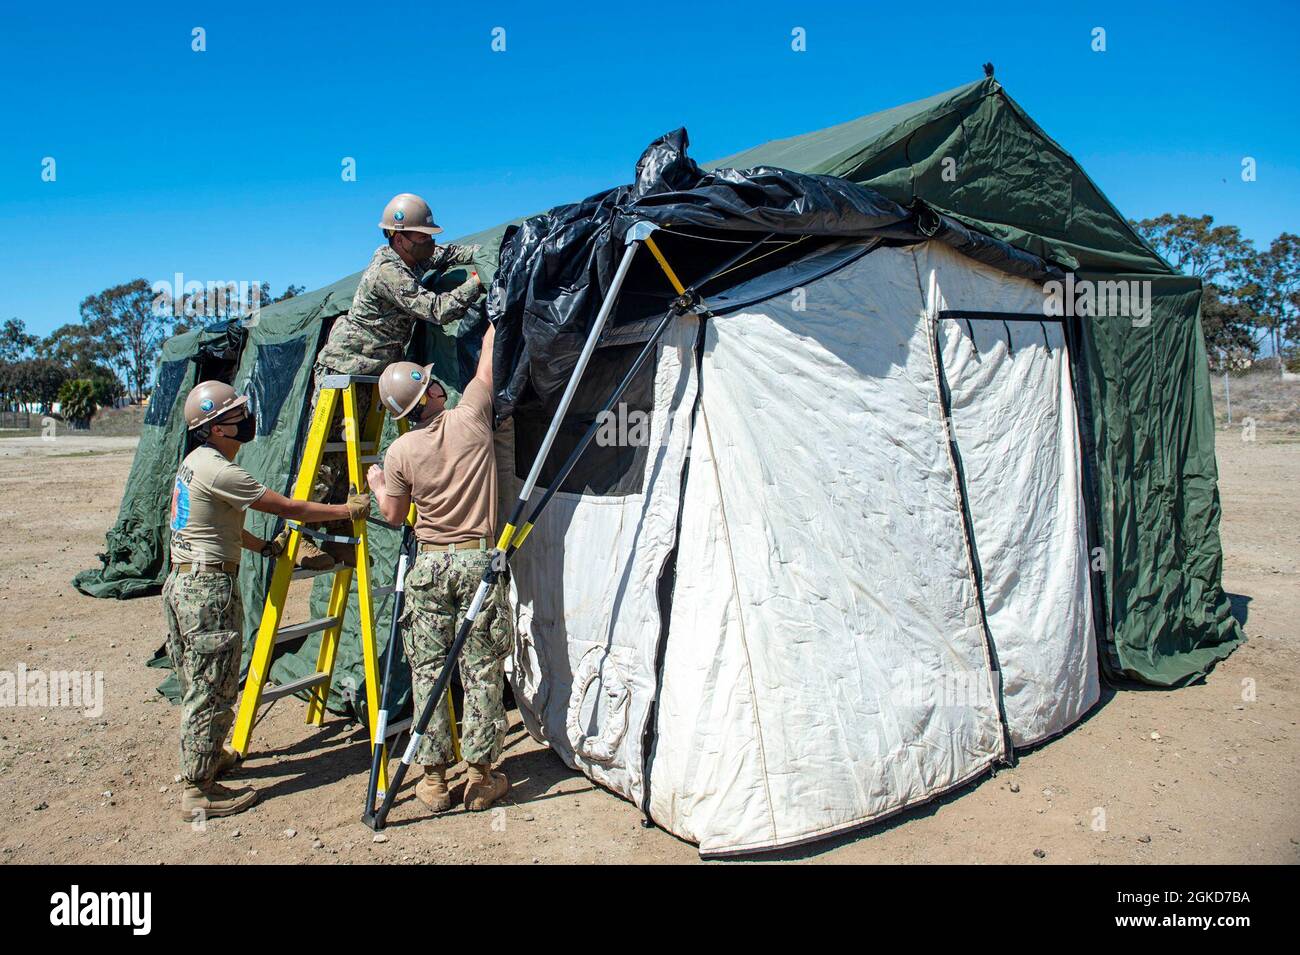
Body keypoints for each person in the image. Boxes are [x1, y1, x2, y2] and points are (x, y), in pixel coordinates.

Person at [167, 381, 368, 822]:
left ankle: (209, 755)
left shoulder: (196, 463)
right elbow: (287, 508)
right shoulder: (222, 470)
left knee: (202, 680)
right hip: (206, 591)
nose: (246, 420)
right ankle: (198, 791)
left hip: (186, 582)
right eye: (237, 415)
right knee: (212, 686)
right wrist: (345, 511)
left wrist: (263, 549)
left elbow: (221, 525)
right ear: (217, 428)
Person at [297, 193, 487, 570]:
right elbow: (436, 310)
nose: (430, 243)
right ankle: (305, 538)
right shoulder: (389, 271)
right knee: (326, 459)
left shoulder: (414, 252)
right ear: (400, 239)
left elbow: (446, 253)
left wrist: (487, 251)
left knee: (350, 460)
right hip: (343, 370)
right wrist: (477, 283)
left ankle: (337, 539)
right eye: (423, 238)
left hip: (371, 373)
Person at [367, 323, 511, 814]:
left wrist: (375, 480)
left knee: (429, 671)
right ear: (428, 391)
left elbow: (392, 516)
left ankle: (432, 782)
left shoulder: (400, 451)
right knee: (481, 670)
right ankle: (480, 777)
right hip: (477, 562)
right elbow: (487, 365)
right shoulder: (471, 416)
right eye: (429, 382)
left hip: (428, 567)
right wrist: (492, 320)